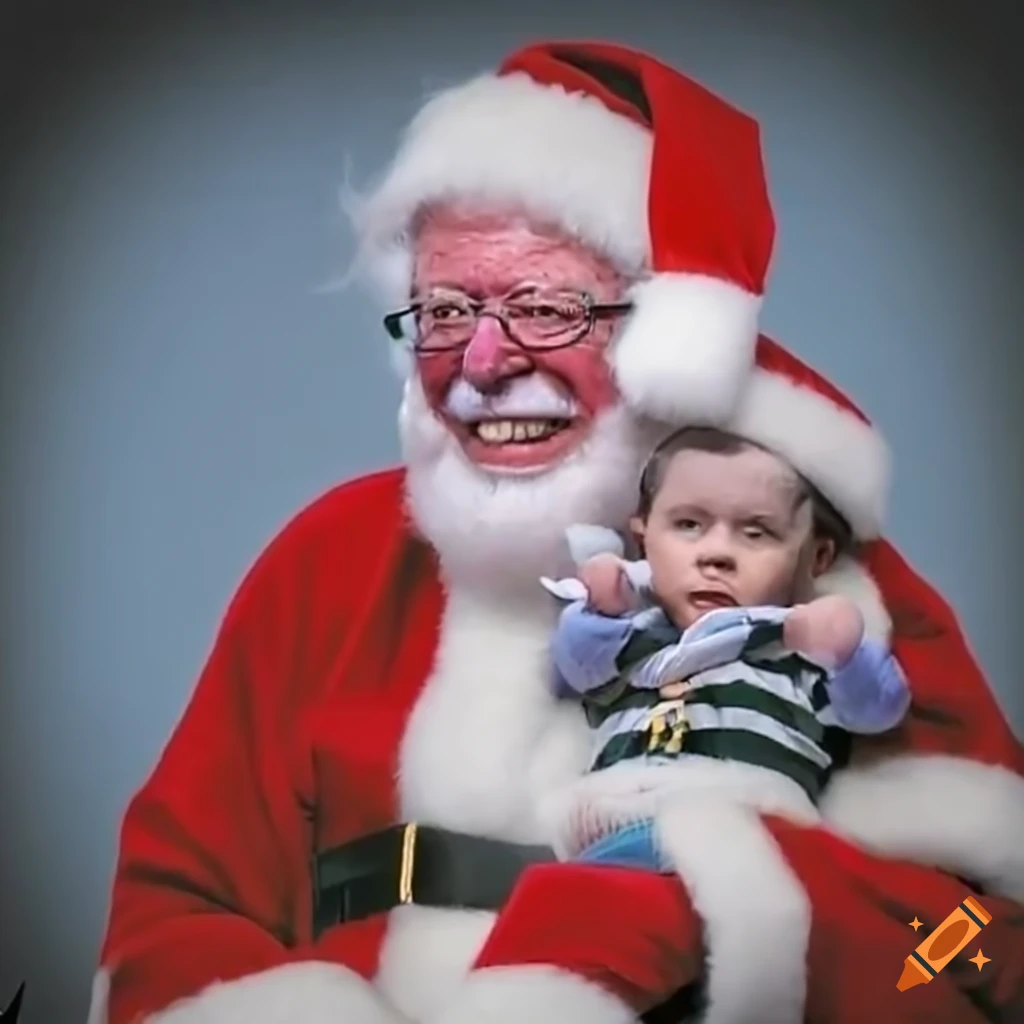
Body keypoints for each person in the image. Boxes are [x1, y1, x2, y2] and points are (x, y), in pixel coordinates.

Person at [89, 39, 1024, 1024]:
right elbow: (168, 922)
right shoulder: (328, 562)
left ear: (664, 341)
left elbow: (979, 943)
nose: (483, 361)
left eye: (541, 307)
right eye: (447, 310)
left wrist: (702, 895)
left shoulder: (816, 580)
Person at [538, 425, 912, 1023]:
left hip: (744, 833)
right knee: (569, 950)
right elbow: (576, 666)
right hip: (611, 839)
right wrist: (602, 606)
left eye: (755, 532)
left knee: (737, 961)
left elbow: (878, 709)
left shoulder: (790, 653)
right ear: (644, 538)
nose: (715, 553)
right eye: (687, 525)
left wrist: (843, 651)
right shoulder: (633, 645)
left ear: (813, 558)